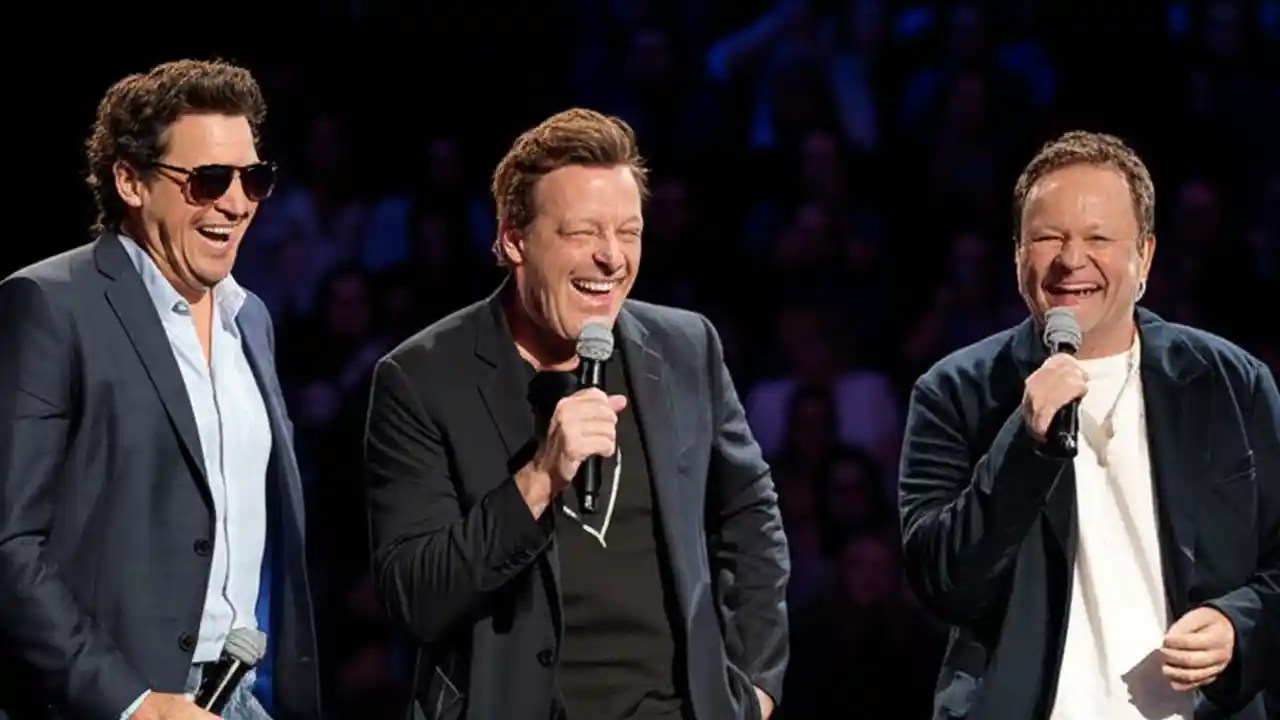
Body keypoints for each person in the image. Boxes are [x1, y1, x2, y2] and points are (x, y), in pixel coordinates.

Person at [363, 108, 790, 720]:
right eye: (583, 233)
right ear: (514, 238)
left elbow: (750, 517)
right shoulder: (422, 378)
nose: (612, 259)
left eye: (629, 232)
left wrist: (754, 687)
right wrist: (539, 478)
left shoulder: (685, 348)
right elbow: (415, 595)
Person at [898, 130, 1278, 719]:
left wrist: (1240, 624)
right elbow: (945, 583)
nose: (1071, 260)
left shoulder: (1231, 382)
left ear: (1144, 254)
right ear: (1018, 254)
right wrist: (1025, 445)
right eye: (1048, 237)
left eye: (1098, 237)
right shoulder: (956, 392)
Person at [0, 59, 321, 720]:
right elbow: (9, 546)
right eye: (208, 180)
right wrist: (133, 703)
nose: (235, 202)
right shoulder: (51, 306)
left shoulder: (249, 318)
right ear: (130, 181)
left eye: (253, 179)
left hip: (243, 695)